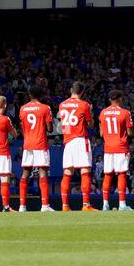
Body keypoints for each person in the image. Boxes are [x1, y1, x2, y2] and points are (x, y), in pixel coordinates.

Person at [57, 82, 95, 212]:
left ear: (71, 90)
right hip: (80, 139)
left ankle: (65, 206)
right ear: (82, 92)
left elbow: (64, 124)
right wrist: (90, 111)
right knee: (85, 171)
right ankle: (86, 205)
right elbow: (90, 124)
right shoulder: (84, 105)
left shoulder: (62, 105)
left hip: (68, 141)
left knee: (67, 173)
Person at [17, 89, 53, 212]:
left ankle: (22, 206)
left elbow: (22, 127)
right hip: (40, 143)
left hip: (28, 144)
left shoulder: (22, 109)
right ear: (41, 95)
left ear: (29, 95)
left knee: (25, 173)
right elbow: (49, 128)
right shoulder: (45, 108)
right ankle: (45, 206)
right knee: (42, 172)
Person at [98, 89, 134, 211]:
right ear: (120, 98)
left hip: (108, 148)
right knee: (121, 174)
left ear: (110, 99)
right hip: (121, 147)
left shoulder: (103, 112)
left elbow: (101, 133)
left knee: (108, 175)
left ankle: (105, 204)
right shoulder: (125, 112)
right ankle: (122, 204)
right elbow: (130, 133)